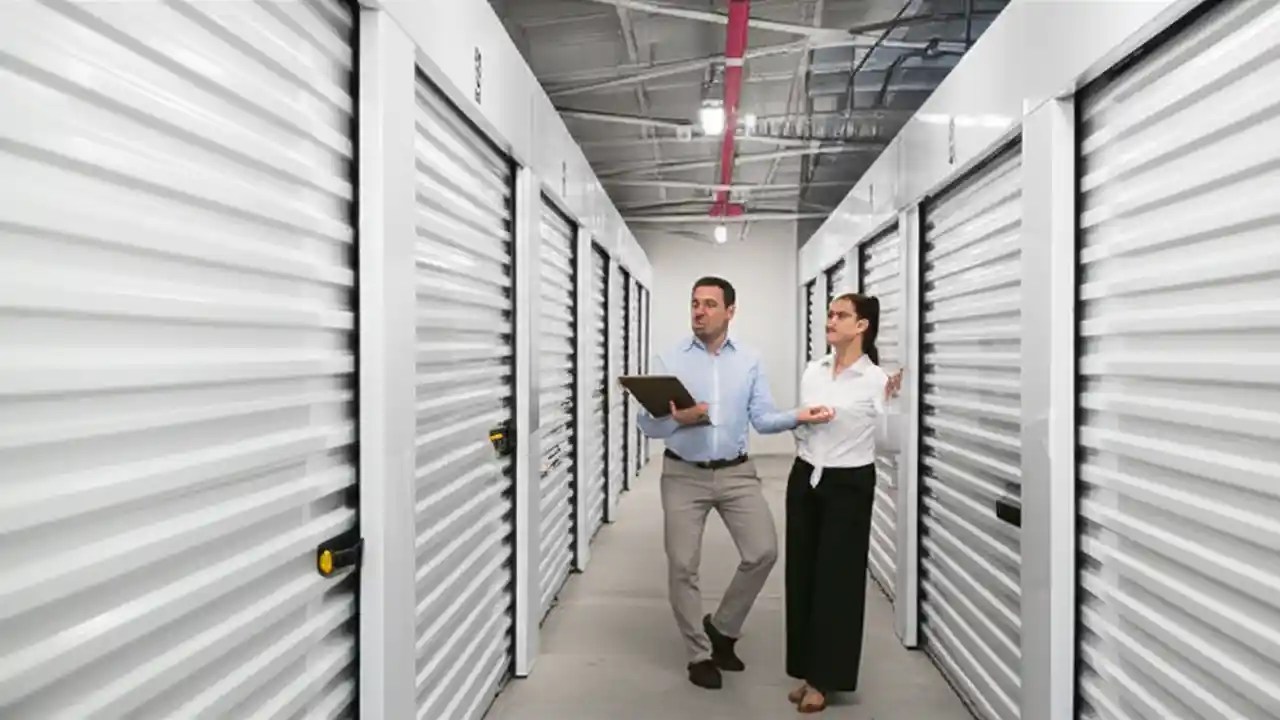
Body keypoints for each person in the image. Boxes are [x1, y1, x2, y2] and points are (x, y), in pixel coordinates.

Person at [636, 276, 833, 691]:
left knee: (763, 552)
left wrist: (800, 415)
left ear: (730, 311)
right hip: (683, 475)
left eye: (709, 304)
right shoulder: (670, 358)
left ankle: (722, 628)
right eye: (694, 303)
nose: (699, 311)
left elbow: (762, 418)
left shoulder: (749, 359)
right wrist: (677, 419)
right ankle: (699, 654)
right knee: (683, 565)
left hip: (737, 472)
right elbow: (646, 425)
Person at [785, 292, 904, 714]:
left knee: (837, 582)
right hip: (806, 477)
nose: (830, 320)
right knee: (801, 576)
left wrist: (892, 403)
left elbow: (890, 445)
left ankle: (825, 680)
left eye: (841, 315)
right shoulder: (813, 370)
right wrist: (805, 423)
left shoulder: (876, 380)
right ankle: (805, 670)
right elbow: (800, 422)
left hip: (849, 483)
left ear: (862, 325)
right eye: (829, 314)